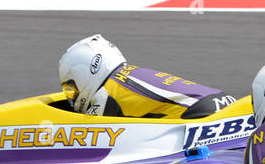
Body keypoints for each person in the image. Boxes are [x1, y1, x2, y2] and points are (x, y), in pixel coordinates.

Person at [58, 34, 235, 119]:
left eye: (71, 88)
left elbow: (85, 131)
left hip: (203, 116)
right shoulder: (127, 76)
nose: (72, 95)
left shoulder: (105, 95)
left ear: (87, 70)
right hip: (223, 102)